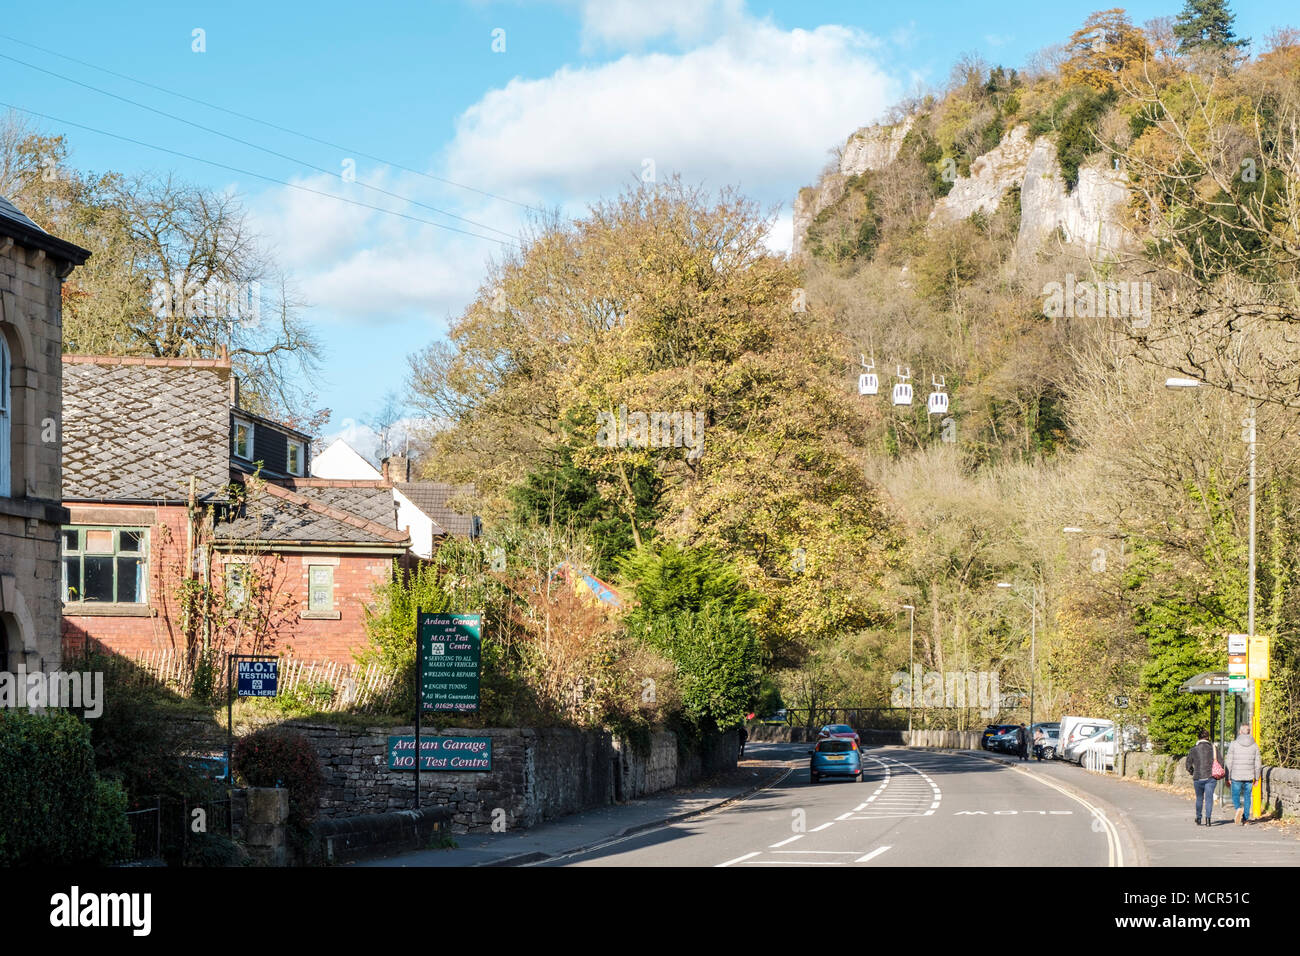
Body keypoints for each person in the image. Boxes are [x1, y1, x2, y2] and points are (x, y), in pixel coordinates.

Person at [1225, 723, 1263, 825]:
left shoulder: (1233, 744)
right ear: (1249, 732)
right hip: (1249, 776)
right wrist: (1257, 778)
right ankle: (1245, 819)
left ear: (1240, 732)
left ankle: (1238, 809)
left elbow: (1229, 761)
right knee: (1247, 797)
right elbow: (1258, 763)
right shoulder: (1255, 745)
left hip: (1236, 775)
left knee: (1235, 795)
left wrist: (1227, 777)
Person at [1185, 728, 1217, 827]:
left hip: (1198, 777)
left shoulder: (1193, 749)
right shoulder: (1213, 748)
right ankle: (1208, 820)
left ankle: (1198, 818)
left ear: (1198, 738)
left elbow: (1188, 764)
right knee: (1209, 799)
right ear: (1208, 738)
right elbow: (1220, 761)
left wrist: (1192, 772)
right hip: (1210, 777)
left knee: (1199, 798)